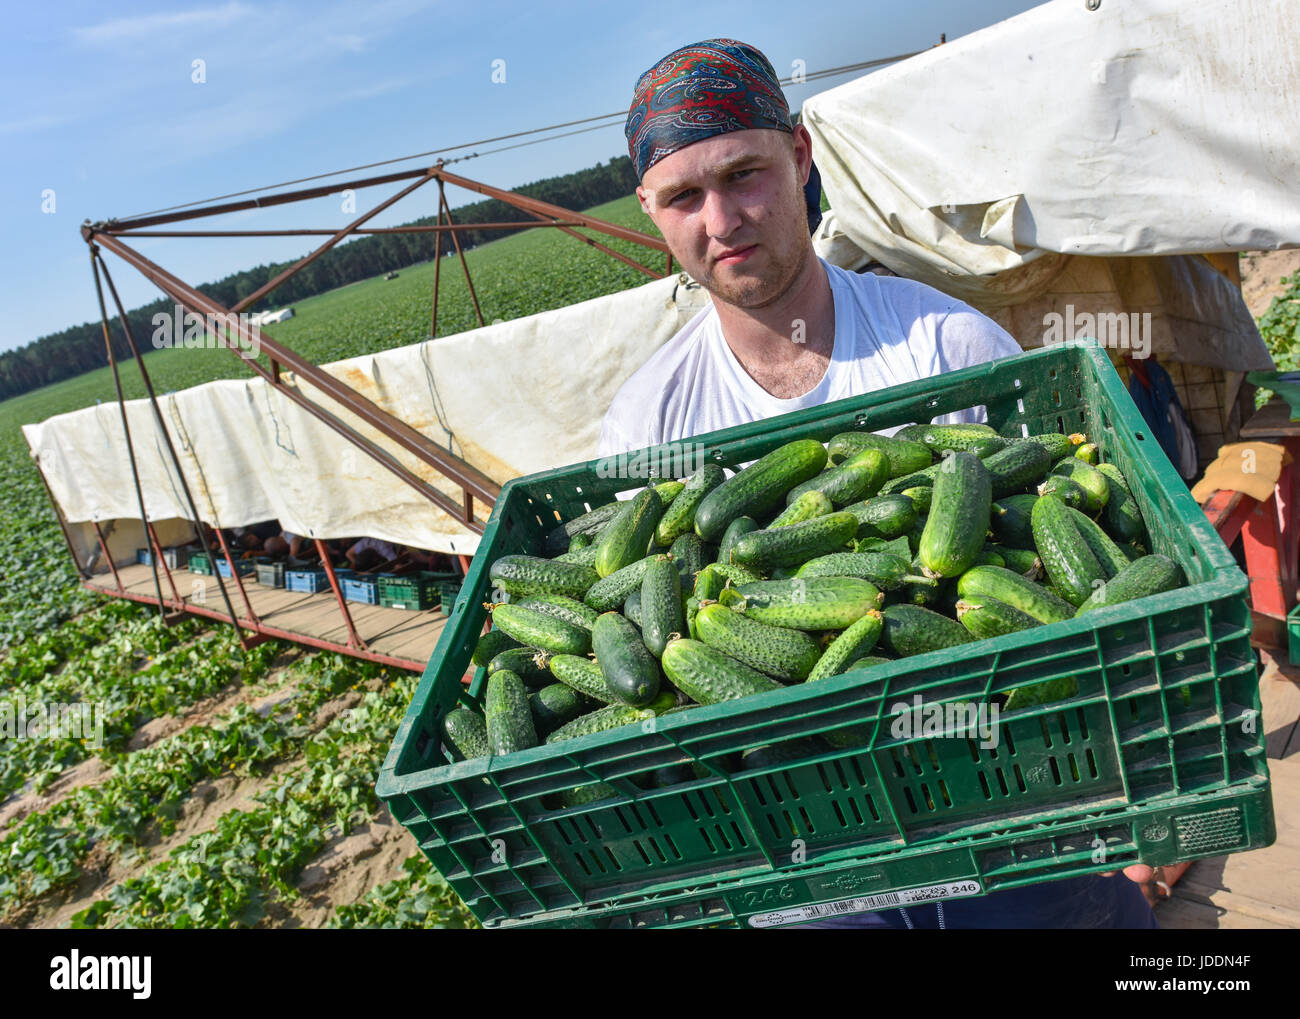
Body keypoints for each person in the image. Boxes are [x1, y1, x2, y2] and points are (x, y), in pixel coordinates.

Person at [599, 38, 1157, 929]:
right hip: (806, 849)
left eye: (745, 174)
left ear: (801, 158)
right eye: (684, 196)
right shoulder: (648, 426)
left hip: (1009, 803)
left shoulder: (948, 346)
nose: (723, 218)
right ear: (650, 212)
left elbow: (1058, 531)